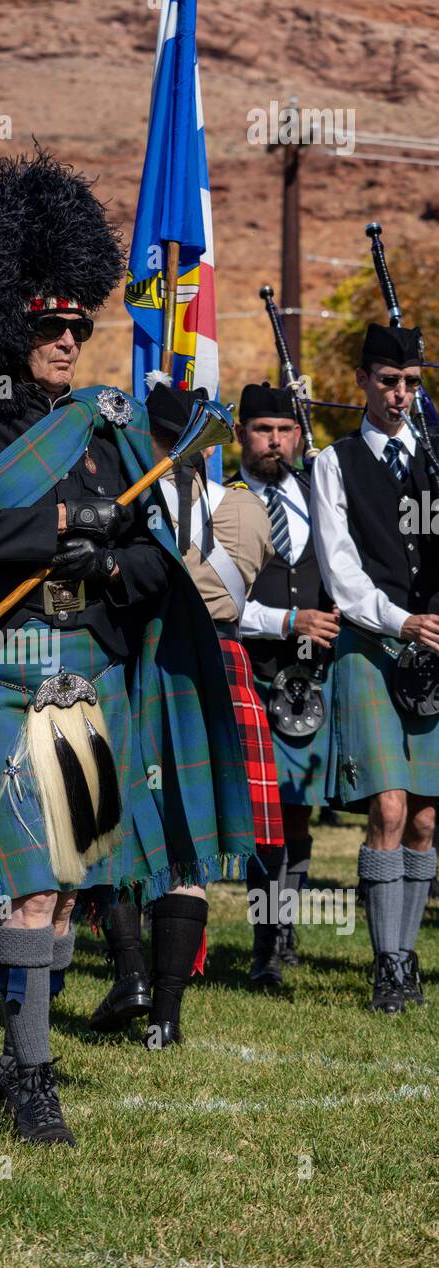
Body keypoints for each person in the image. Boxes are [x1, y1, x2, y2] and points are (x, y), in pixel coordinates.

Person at [0, 150, 254, 1145]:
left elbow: (152, 562)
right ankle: (32, 1076)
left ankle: (19, 1051)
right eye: (51, 325)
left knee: (65, 884)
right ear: (9, 323)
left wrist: (113, 567)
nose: (69, 340)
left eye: (79, 325)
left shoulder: (105, 428)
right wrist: (65, 518)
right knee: (28, 880)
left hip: (83, 673)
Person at [311, 323, 439, 1013]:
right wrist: (401, 620)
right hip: (371, 643)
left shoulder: (437, 457)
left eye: (412, 384)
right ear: (362, 380)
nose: (400, 396)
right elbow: (340, 569)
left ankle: (408, 952)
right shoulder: (334, 463)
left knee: (424, 820)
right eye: (388, 382)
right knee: (388, 806)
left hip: (435, 647)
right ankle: (387, 964)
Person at [148, 377, 286, 996]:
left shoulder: (242, 508)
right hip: (154, 659)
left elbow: (221, 595)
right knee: (146, 818)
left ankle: (268, 947)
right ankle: (142, 966)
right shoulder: (138, 500)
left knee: (238, 825)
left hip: (216, 657)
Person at [238, 383, 340, 983]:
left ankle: (284, 927)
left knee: (298, 811)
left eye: (284, 430)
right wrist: (284, 619)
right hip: (253, 673)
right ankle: (263, 943)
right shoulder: (223, 503)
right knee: (265, 813)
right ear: (242, 435)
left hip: (313, 679)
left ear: (298, 436)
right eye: (261, 430)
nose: (274, 441)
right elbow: (217, 597)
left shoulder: (318, 495)